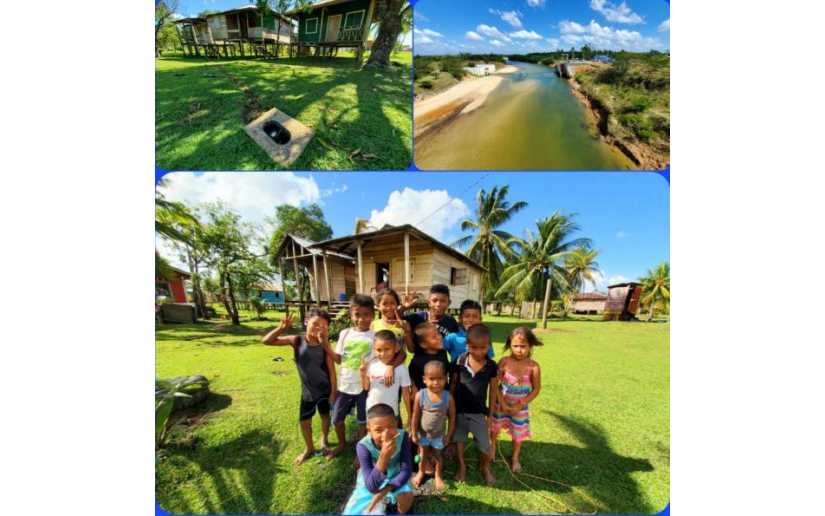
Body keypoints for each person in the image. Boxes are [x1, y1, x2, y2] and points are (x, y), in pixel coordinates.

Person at [261, 309, 336, 465]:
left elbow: (332, 371)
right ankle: (309, 448)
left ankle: (324, 440)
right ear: (306, 322)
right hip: (308, 392)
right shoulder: (296, 340)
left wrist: (333, 393)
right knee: (304, 421)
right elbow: (266, 341)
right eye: (316, 323)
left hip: (325, 389)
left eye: (324, 326)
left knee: (325, 416)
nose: (319, 328)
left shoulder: (325, 344)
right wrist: (281, 328)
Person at [343, 404, 415, 515]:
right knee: (352, 512)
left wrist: (385, 490)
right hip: (371, 478)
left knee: (406, 496)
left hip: (395, 477)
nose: (385, 435)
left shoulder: (403, 437)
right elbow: (371, 486)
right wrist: (383, 457)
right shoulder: (363, 446)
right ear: (369, 430)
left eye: (390, 427)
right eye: (378, 430)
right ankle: (385, 503)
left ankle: (397, 510)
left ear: (396, 423)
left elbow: (406, 470)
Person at [490, 326, 543, 473]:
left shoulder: (534, 367)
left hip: (520, 407)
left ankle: (515, 458)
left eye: (523, 346)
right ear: (510, 345)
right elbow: (495, 384)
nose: (519, 350)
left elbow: (536, 389)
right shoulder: (504, 362)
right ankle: (492, 448)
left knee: (518, 433)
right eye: (515, 346)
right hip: (501, 404)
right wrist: (502, 402)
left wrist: (520, 404)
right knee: (495, 428)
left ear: (530, 345)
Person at [451, 323, 498, 485]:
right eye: (474, 348)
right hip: (459, 412)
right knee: (459, 441)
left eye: (483, 348)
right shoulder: (459, 361)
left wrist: (490, 415)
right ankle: (461, 466)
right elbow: (452, 386)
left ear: (489, 346)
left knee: (485, 446)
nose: (478, 352)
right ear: (467, 345)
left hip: (478, 413)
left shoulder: (491, 366)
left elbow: (493, 391)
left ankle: (485, 467)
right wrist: (450, 411)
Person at [410, 361, 455, 491]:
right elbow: (415, 416)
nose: (436, 382)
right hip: (423, 434)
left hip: (439, 435)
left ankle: (438, 475)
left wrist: (448, 435)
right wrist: (414, 432)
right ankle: (421, 472)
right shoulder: (420, 395)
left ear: (446, 379)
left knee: (438, 455)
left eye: (440, 379)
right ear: (424, 379)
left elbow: (452, 418)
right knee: (423, 455)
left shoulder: (448, 397)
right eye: (432, 379)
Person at [360, 330, 412, 424]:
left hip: (392, 413)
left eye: (387, 349)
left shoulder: (401, 369)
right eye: (379, 350)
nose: (383, 354)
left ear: (396, 348)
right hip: (372, 412)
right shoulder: (371, 365)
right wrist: (363, 373)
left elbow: (406, 394)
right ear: (374, 349)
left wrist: (409, 414)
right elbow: (366, 387)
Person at [401, 284, 460, 353]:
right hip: (419, 359)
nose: (438, 304)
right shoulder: (417, 318)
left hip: (441, 359)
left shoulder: (451, 321)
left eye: (443, 301)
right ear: (429, 302)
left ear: (449, 303)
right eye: (434, 300)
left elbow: (456, 344)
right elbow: (395, 318)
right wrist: (403, 307)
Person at [443, 300, 495, 364]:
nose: (471, 320)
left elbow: (489, 359)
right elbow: (438, 351)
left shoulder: (484, 337)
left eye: (475, 317)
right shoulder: (452, 337)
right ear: (460, 318)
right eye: (467, 316)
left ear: (480, 320)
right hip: (456, 370)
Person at [407, 322, 451, 394]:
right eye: (434, 337)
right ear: (423, 344)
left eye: (438, 333)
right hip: (426, 397)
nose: (439, 337)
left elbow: (447, 370)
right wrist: (413, 387)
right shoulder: (418, 360)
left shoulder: (442, 353)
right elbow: (411, 375)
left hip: (443, 395)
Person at [371, 288, 413, 353]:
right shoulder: (373, 325)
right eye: (384, 304)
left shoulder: (404, 324)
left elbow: (411, 349)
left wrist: (406, 332)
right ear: (378, 306)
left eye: (392, 303)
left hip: (400, 359)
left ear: (397, 305)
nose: (389, 307)